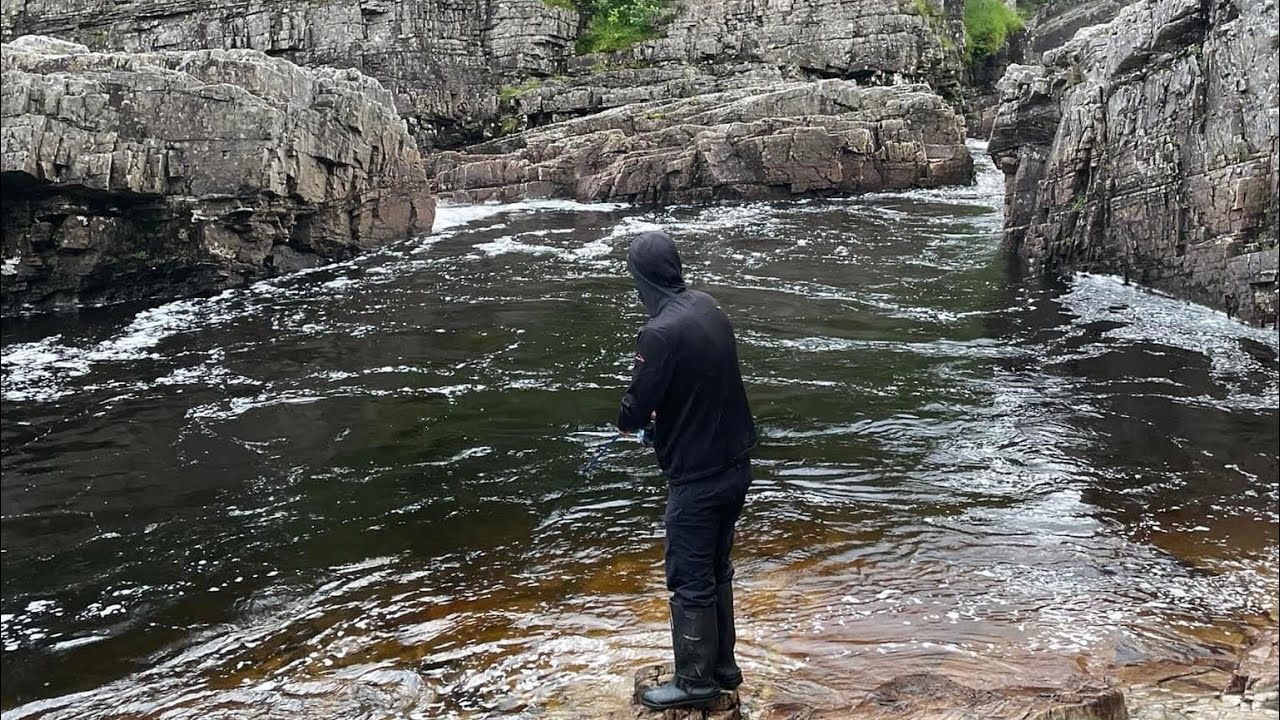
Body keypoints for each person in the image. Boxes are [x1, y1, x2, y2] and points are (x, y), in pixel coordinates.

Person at [616, 230, 757, 710]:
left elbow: (635, 410)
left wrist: (635, 422)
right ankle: (723, 667)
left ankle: (695, 681)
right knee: (717, 568)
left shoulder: (658, 333)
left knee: (688, 576)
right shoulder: (708, 307)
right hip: (736, 465)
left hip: (696, 478)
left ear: (641, 279)